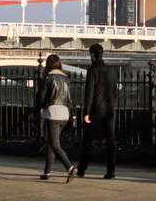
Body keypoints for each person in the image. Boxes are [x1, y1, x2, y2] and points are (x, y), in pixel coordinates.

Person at [77, 45, 117, 179]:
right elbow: (115, 91)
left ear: (92, 55)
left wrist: (86, 112)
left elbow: (89, 93)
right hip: (109, 110)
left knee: (88, 140)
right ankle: (111, 171)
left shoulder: (92, 70)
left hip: (96, 110)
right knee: (110, 141)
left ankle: (82, 169)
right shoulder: (111, 70)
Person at [35, 54, 75, 182]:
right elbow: (69, 98)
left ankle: (69, 167)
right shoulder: (66, 78)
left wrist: (38, 107)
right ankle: (47, 172)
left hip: (53, 113)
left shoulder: (48, 78)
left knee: (54, 144)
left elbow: (42, 97)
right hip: (65, 113)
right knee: (51, 144)